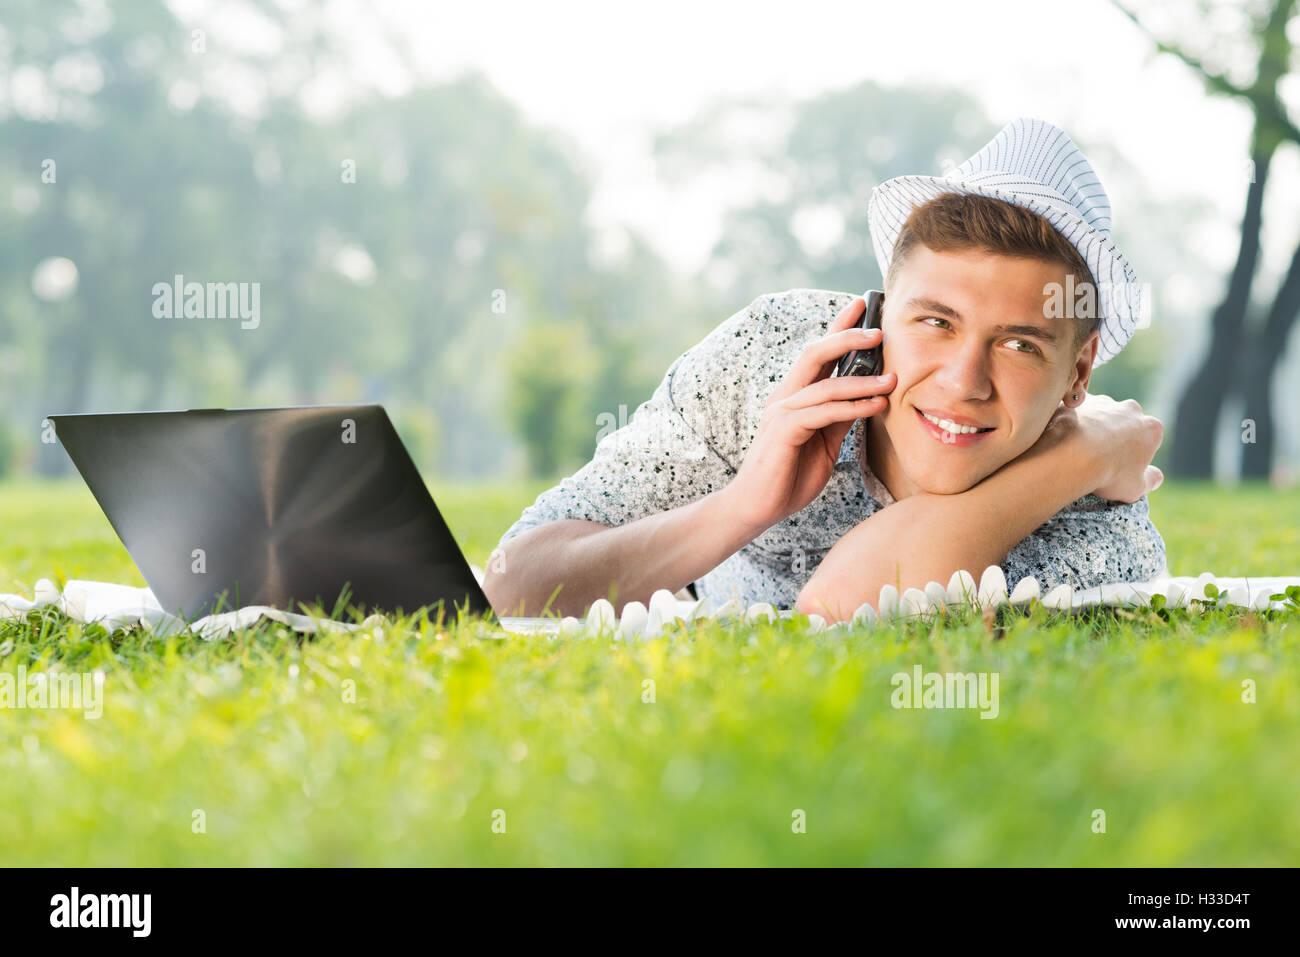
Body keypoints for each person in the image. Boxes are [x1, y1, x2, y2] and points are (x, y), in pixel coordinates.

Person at [485, 117, 1167, 622]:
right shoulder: (771, 358)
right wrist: (743, 504)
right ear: (880, 313)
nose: (964, 381)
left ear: (1079, 373)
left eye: (1020, 344)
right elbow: (510, 586)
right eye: (935, 322)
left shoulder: (1101, 520)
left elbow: (839, 610)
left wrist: (1083, 457)